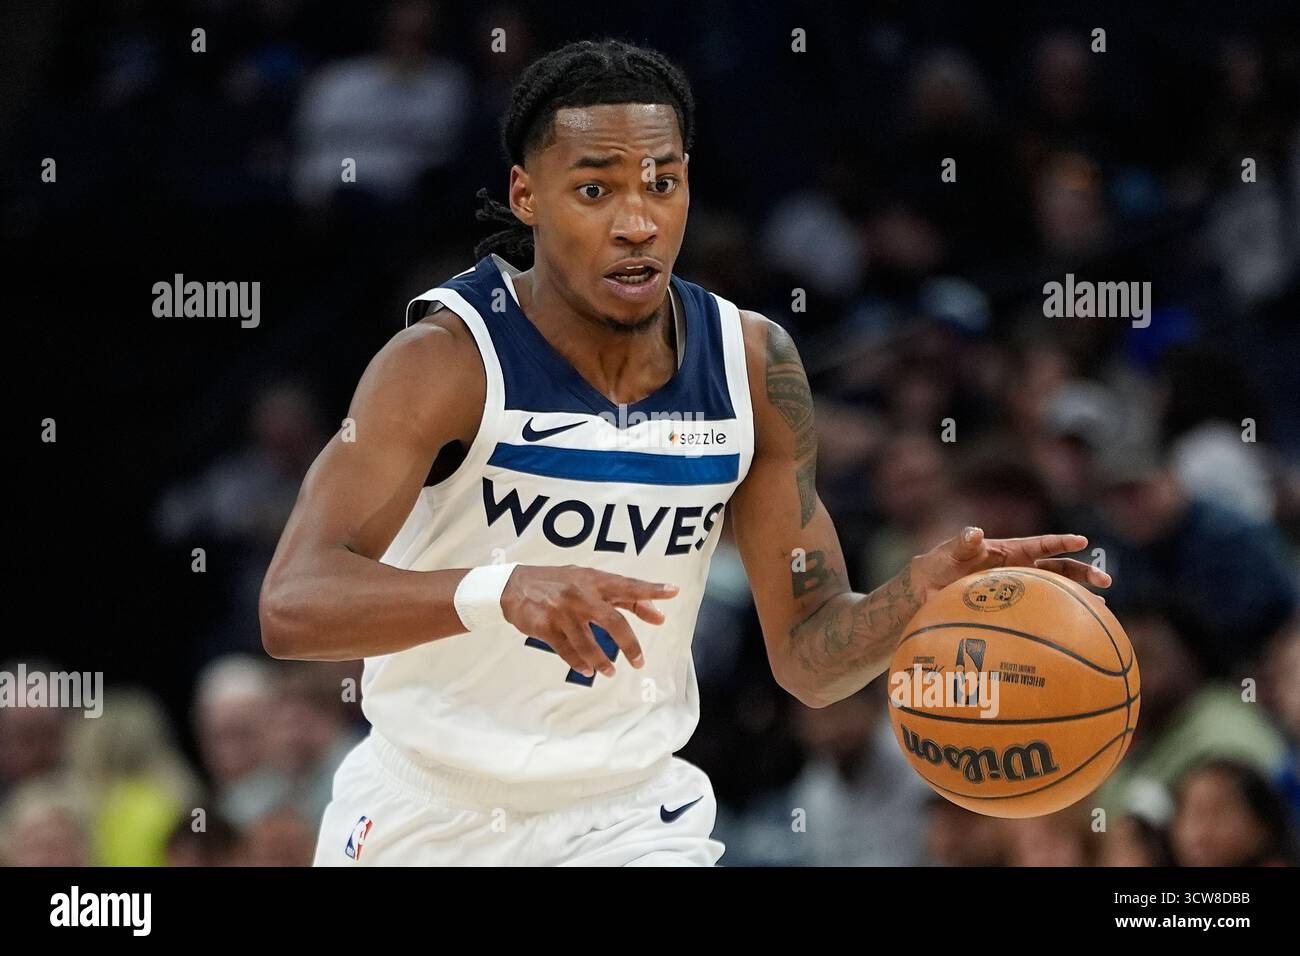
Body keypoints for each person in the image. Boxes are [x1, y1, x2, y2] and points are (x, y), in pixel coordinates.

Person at [259, 38, 1109, 867]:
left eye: (661, 183)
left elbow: (811, 658)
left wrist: (914, 600)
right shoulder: (445, 361)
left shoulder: (751, 364)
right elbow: (293, 604)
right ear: (527, 196)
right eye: (594, 189)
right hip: (429, 811)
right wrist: (500, 589)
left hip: (629, 816)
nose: (637, 221)